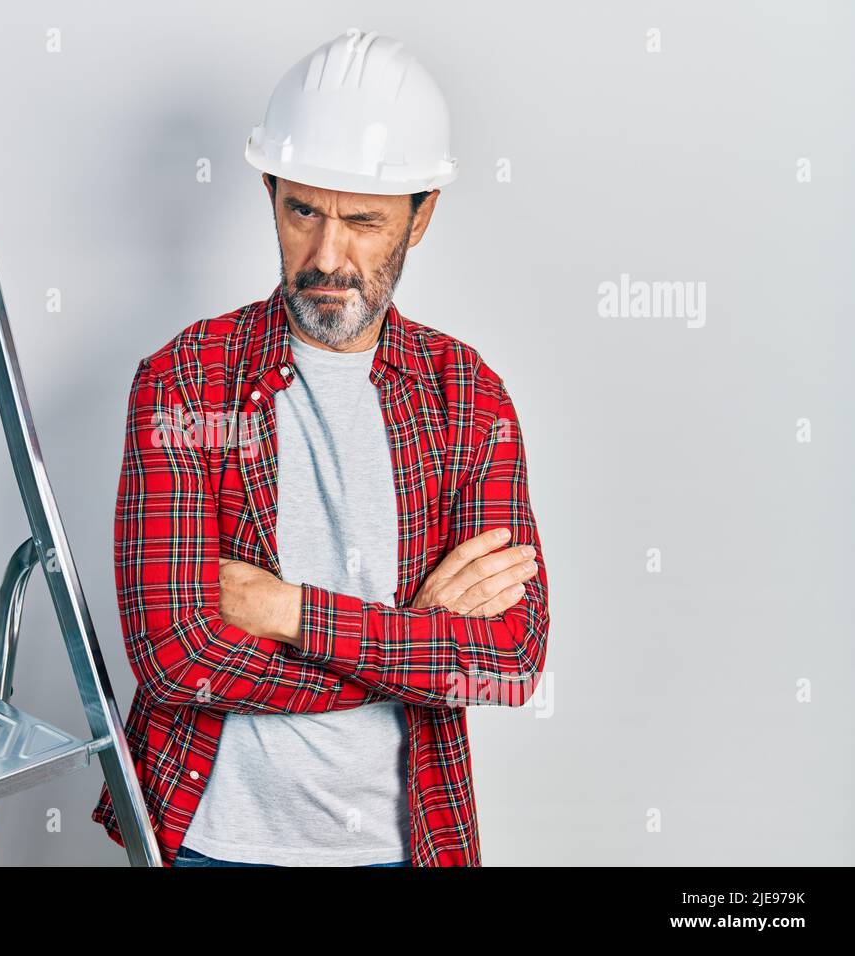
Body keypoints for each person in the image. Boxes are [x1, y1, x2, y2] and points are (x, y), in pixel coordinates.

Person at [91, 26, 549, 867]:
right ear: (270, 192)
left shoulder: (468, 397)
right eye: (302, 210)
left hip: (408, 843)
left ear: (421, 218)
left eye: (363, 222)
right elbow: (173, 659)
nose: (325, 256)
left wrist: (286, 611)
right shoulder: (185, 383)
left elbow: (509, 663)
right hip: (208, 842)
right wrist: (411, 638)